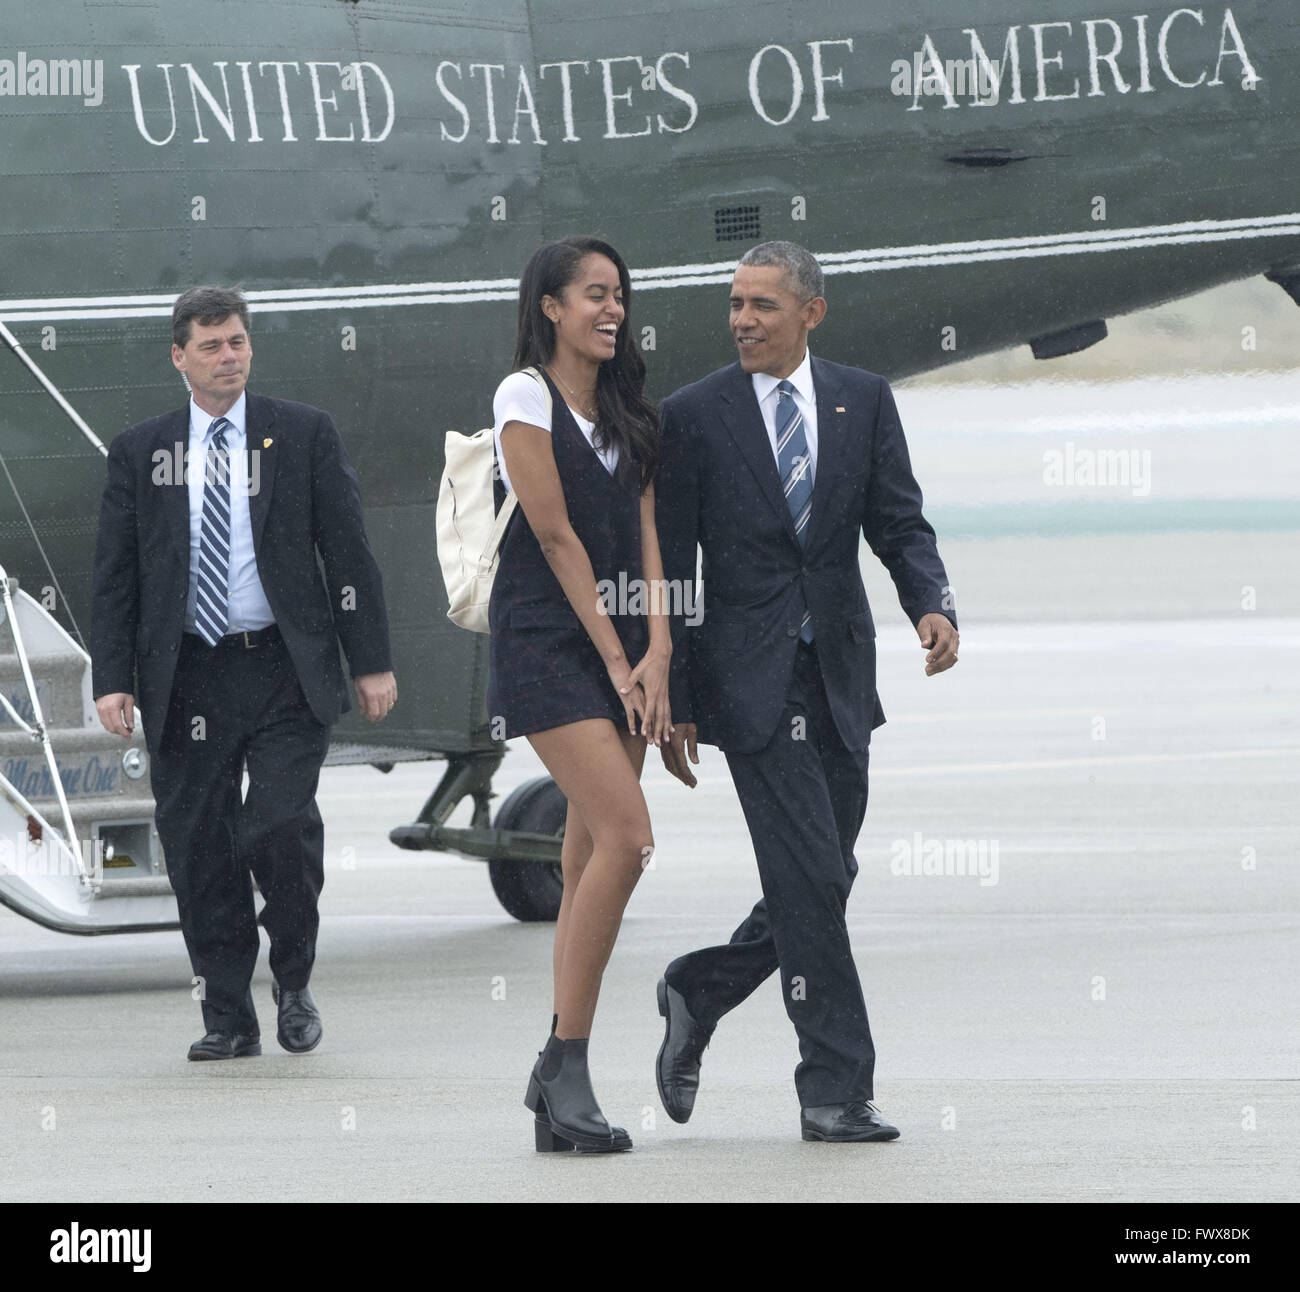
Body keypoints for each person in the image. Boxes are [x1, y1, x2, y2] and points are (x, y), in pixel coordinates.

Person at [654, 241, 959, 1142]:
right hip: (747, 682)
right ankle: (833, 1089)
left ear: (811, 312)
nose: (743, 320)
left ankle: (698, 990)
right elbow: (670, 566)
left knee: (818, 878)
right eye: (736, 304)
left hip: (839, 677)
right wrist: (669, 690)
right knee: (813, 877)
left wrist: (930, 604)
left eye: (763, 306)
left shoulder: (861, 399)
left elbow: (898, 522)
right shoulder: (694, 414)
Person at [91, 285, 396, 1062]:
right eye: (213, 346)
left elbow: (349, 553)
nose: (230, 357)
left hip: (283, 670)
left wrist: (371, 662)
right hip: (186, 675)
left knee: (279, 825)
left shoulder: (301, 435)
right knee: (198, 846)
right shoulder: (140, 451)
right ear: (179, 356)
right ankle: (227, 1015)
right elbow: (115, 576)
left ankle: (293, 982)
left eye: (238, 342)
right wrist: (111, 677)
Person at [489, 236, 667, 1153]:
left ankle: (559, 1087)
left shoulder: (629, 412)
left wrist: (658, 658)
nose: (611, 309)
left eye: (619, 295)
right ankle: (565, 1059)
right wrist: (612, 658)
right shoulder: (525, 395)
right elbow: (556, 539)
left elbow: (647, 543)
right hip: (550, 646)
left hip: (625, 648)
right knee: (630, 842)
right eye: (593, 294)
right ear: (551, 306)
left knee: (586, 856)